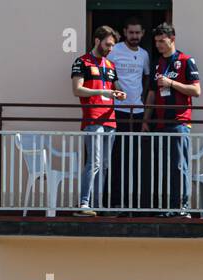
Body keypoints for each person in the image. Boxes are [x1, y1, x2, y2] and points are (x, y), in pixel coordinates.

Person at [142, 23, 201, 216]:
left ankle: (181, 207)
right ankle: (167, 207)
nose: (158, 45)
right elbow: (151, 93)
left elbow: (196, 90)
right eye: (156, 41)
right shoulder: (157, 63)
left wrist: (171, 83)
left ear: (172, 39)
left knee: (178, 165)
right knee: (163, 167)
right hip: (159, 123)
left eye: (162, 41)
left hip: (179, 122)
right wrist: (145, 120)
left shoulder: (186, 60)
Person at [70, 26, 126, 216]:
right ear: (96, 41)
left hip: (110, 119)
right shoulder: (82, 62)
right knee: (93, 162)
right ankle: (84, 203)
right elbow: (77, 90)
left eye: (113, 46)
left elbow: (116, 88)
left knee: (105, 164)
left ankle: (98, 204)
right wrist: (102, 92)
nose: (111, 49)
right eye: (108, 44)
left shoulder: (110, 65)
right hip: (93, 118)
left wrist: (120, 94)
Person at [108, 17, 150, 212]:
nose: (134, 36)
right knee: (117, 157)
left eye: (137, 33)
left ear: (142, 34)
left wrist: (141, 99)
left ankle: (136, 202)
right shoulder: (114, 50)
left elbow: (147, 79)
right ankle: (116, 201)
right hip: (117, 111)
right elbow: (105, 75)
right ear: (124, 32)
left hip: (138, 112)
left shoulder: (144, 55)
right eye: (131, 32)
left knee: (136, 159)